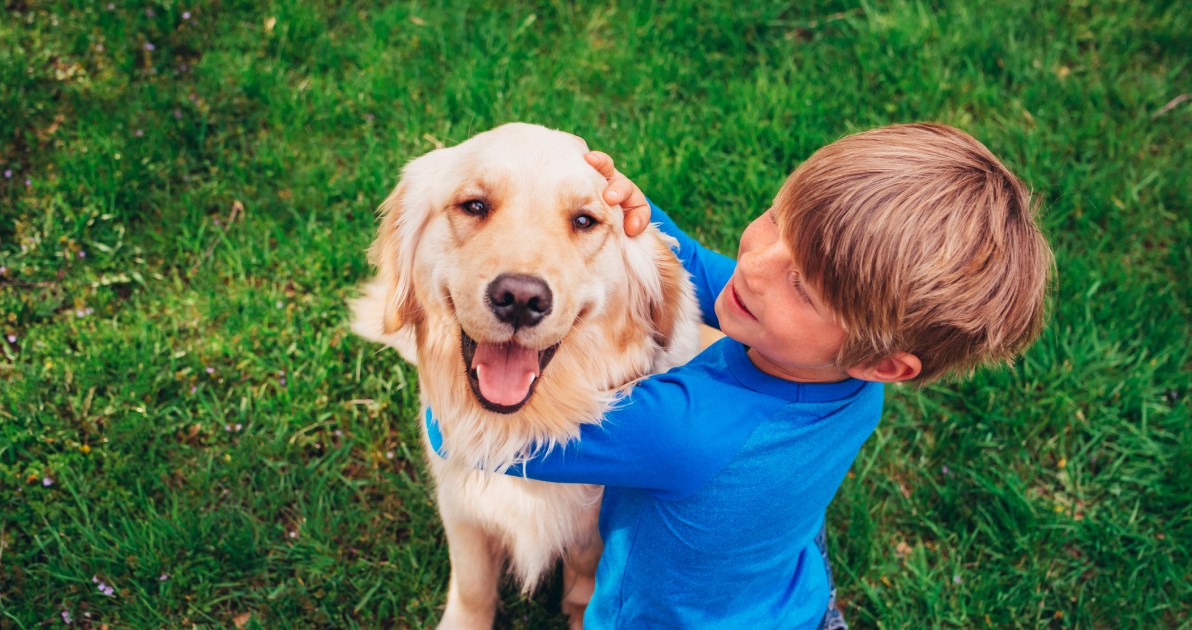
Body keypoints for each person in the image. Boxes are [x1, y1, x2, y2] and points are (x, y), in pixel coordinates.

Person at [428, 123, 1053, 628]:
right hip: (792, 598)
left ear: (884, 363)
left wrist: (446, 355)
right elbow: (698, 266)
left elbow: (469, 438)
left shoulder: (680, 431)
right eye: (778, 221)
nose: (754, 268)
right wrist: (622, 206)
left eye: (802, 285)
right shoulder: (855, 381)